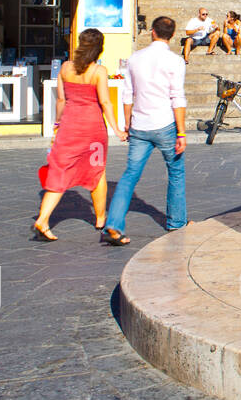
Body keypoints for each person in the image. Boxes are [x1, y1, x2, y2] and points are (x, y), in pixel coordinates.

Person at [32, 29, 126, 242]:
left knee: (59, 173)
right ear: (99, 47)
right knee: (98, 171)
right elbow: (105, 102)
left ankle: (43, 218)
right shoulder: (98, 71)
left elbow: (61, 101)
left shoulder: (65, 68)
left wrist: (57, 124)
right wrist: (117, 129)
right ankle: (101, 218)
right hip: (92, 130)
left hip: (68, 127)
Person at [104, 16, 190, 243]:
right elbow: (177, 98)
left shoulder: (135, 58)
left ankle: (113, 224)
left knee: (129, 175)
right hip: (165, 124)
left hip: (140, 125)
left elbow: (127, 93)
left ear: (152, 32)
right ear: (171, 36)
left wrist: (127, 121)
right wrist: (181, 132)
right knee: (176, 172)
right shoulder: (176, 61)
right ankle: (176, 222)